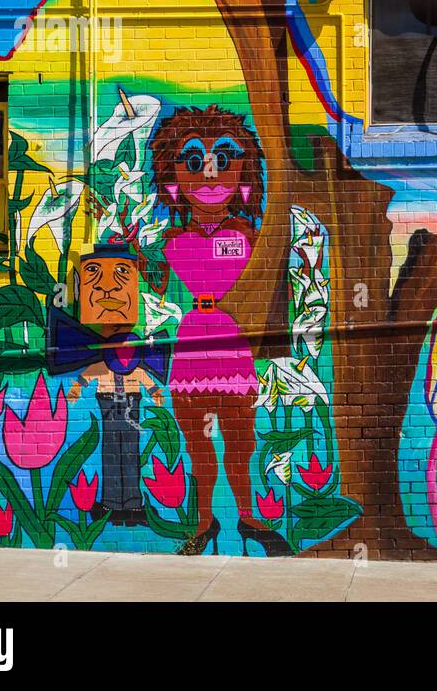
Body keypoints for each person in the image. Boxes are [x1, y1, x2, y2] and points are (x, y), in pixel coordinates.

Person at [147, 104, 291, 556]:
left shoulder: (253, 237)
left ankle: (247, 517)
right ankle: (205, 520)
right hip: (193, 344)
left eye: (224, 159)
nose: (209, 173)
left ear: (244, 173)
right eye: (193, 161)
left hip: (233, 342)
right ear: (172, 178)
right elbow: (155, 289)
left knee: (240, 439)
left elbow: (272, 284)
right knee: (198, 443)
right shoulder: (170, 240)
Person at [48, 243, 166, 526]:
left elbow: (138, 372)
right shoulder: (104, 352)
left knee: (130, 452)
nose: (107, 287)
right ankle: (114, 503)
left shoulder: (131, 351)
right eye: (93, 273)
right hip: (110, 403)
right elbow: (95, 369)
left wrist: (153, 390)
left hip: (130, 402)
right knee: (112, 452)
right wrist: (77, 387)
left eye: (122, 272)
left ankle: (133, 504)